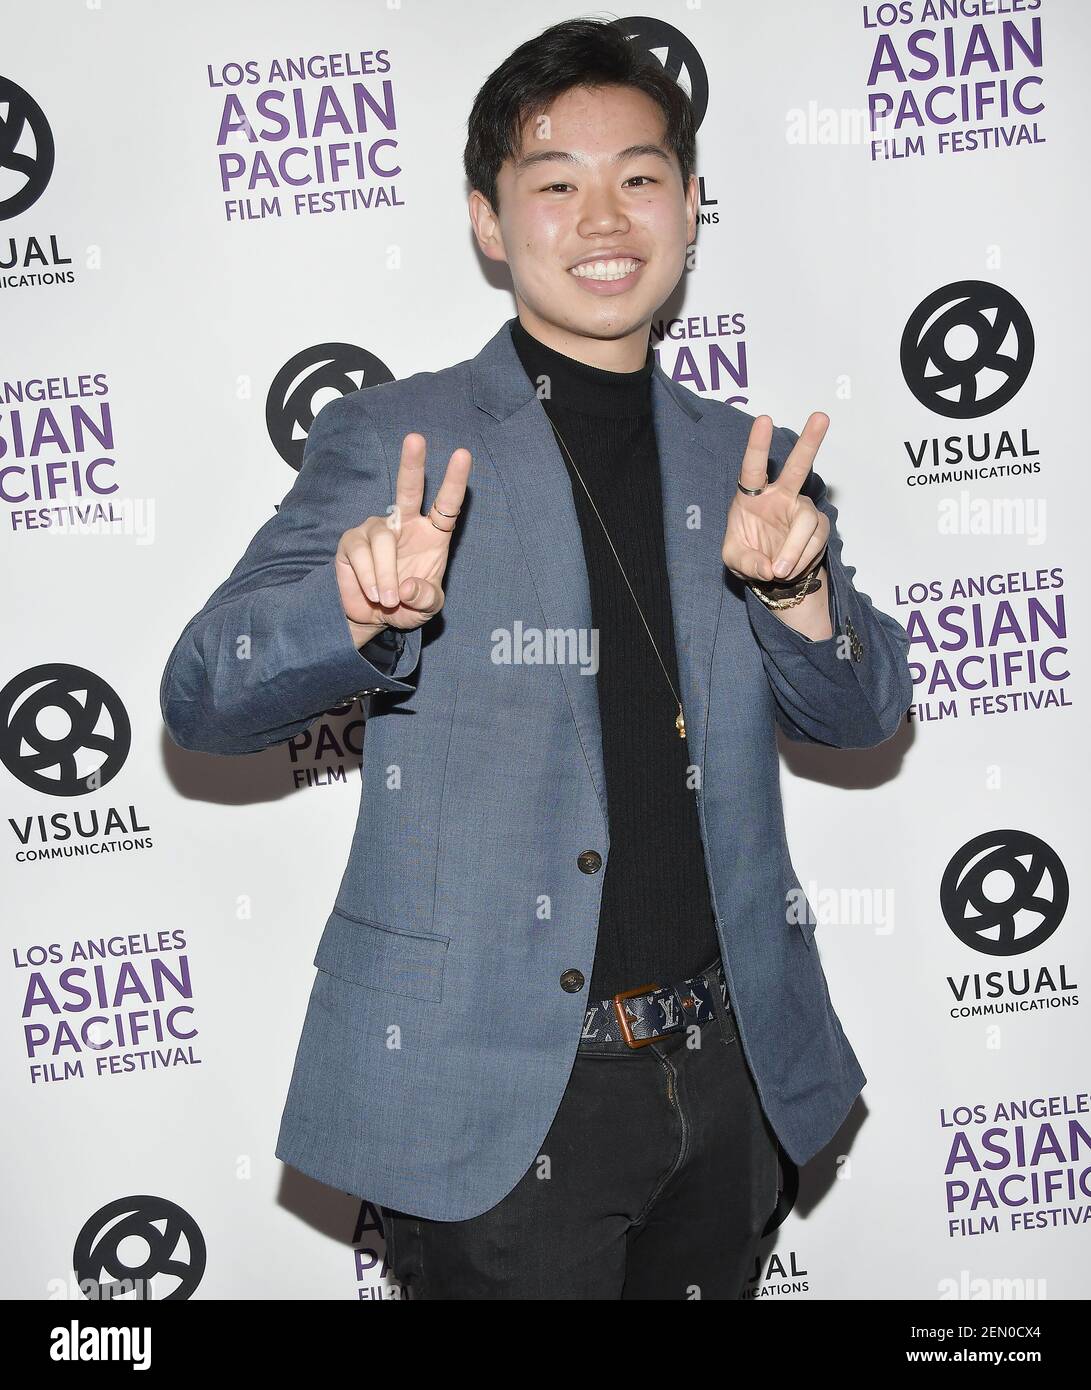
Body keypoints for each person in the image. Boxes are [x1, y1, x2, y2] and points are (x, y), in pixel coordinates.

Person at [160, 17, 914, 1299]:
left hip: (728, 1080)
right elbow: (203, 695)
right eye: (554, 182)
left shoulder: (749, 457)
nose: (603, 216)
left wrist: (796, 589)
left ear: (686, 206)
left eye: (639, 176)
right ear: (488, 222)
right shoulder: (395, 436)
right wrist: (351, 615)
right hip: (495, 1097)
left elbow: (861, 710)